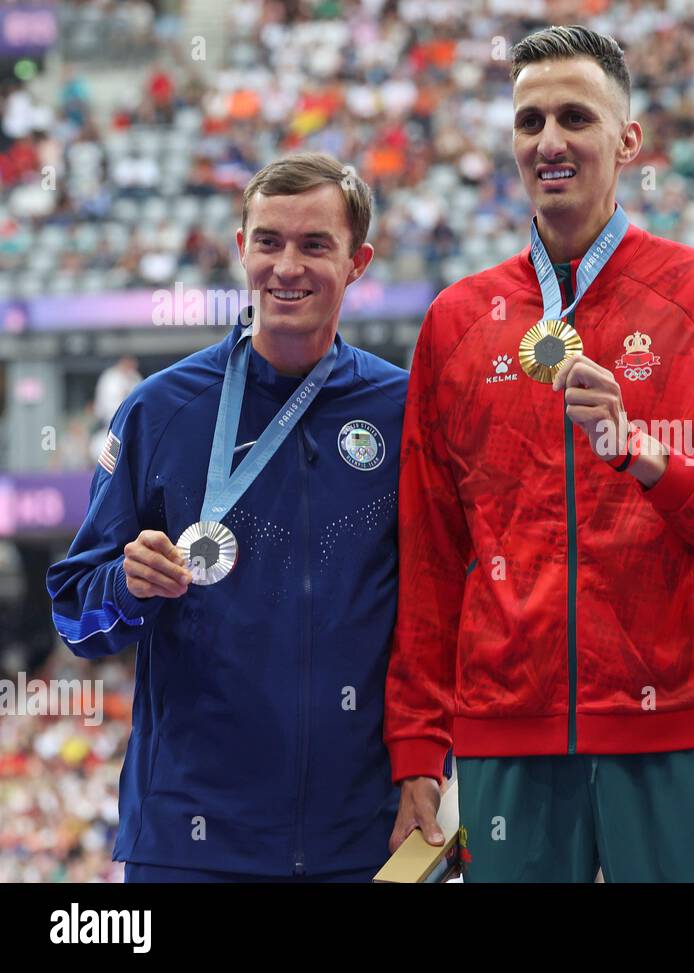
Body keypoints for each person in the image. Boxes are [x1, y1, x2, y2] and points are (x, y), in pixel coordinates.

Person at [385, 25, 694, 882]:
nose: (550, 141)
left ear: (628, 140)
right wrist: (418, 745)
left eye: (575, 116)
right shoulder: (456, 323)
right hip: (507, 732)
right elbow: (428, 553)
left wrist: (645, 455)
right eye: (529, 121)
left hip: (681, 727)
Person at [47, 152, 407, 882]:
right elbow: (73, 614)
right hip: (189, 844)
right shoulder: (159, 411)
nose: (287, 266)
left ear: (358, 261)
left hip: (360, 841)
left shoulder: (402, 411)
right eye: (268, 240)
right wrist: (126, 583)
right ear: (241, 248)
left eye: (315, 245)